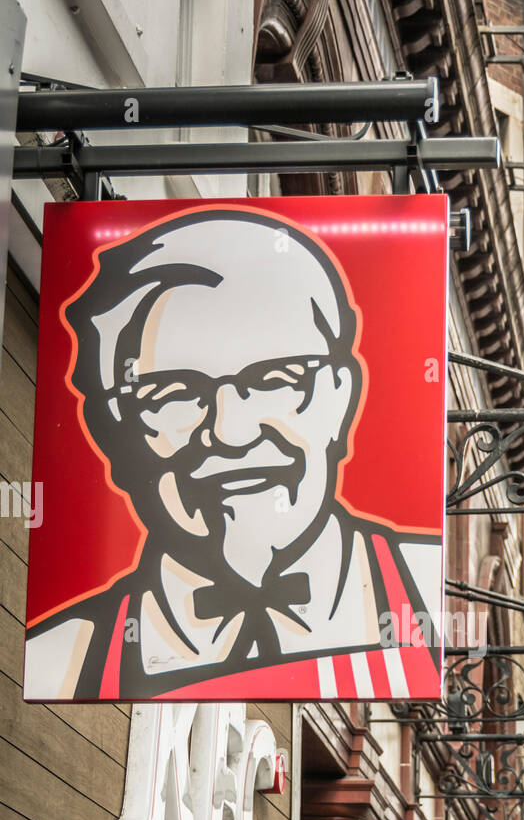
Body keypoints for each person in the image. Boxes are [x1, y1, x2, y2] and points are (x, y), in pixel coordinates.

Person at [25, 208, 442, 701]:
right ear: (111, 431)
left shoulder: (430, 599)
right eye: (173, 392)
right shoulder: (64, 656)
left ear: (340, 397)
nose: (230, 431)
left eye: (274, 380)